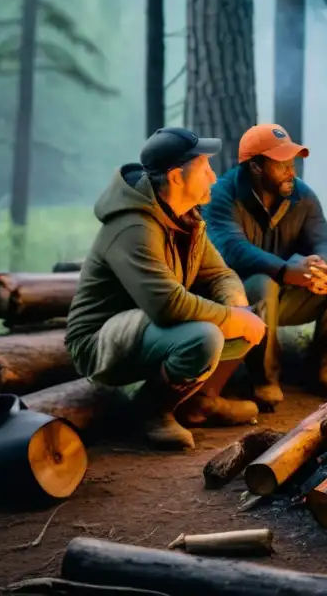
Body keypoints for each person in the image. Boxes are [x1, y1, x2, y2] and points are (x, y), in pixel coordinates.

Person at [65, 127, 266, 451]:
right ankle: (151, 412)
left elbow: (220, 275)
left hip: (148, 327)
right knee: (206, 336)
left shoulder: (185, 218)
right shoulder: (132, 226)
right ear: (176, 177)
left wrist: (237, 305)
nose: (213, 177)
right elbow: (167, 305)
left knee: (250, 309)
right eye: (204, 168)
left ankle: (199, 402)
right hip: (101, 340)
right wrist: (232, 318)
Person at [203, 124, 327, 406]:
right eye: (281, 164)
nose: (291, 171)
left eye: (291, 163)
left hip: (292, 293)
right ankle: (264, 379)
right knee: (261, 281)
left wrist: (321, 267)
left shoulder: (301, 195)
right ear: (256, 167)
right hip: (241, 301)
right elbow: (233, 250)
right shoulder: (222, 195)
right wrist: (286, 270)